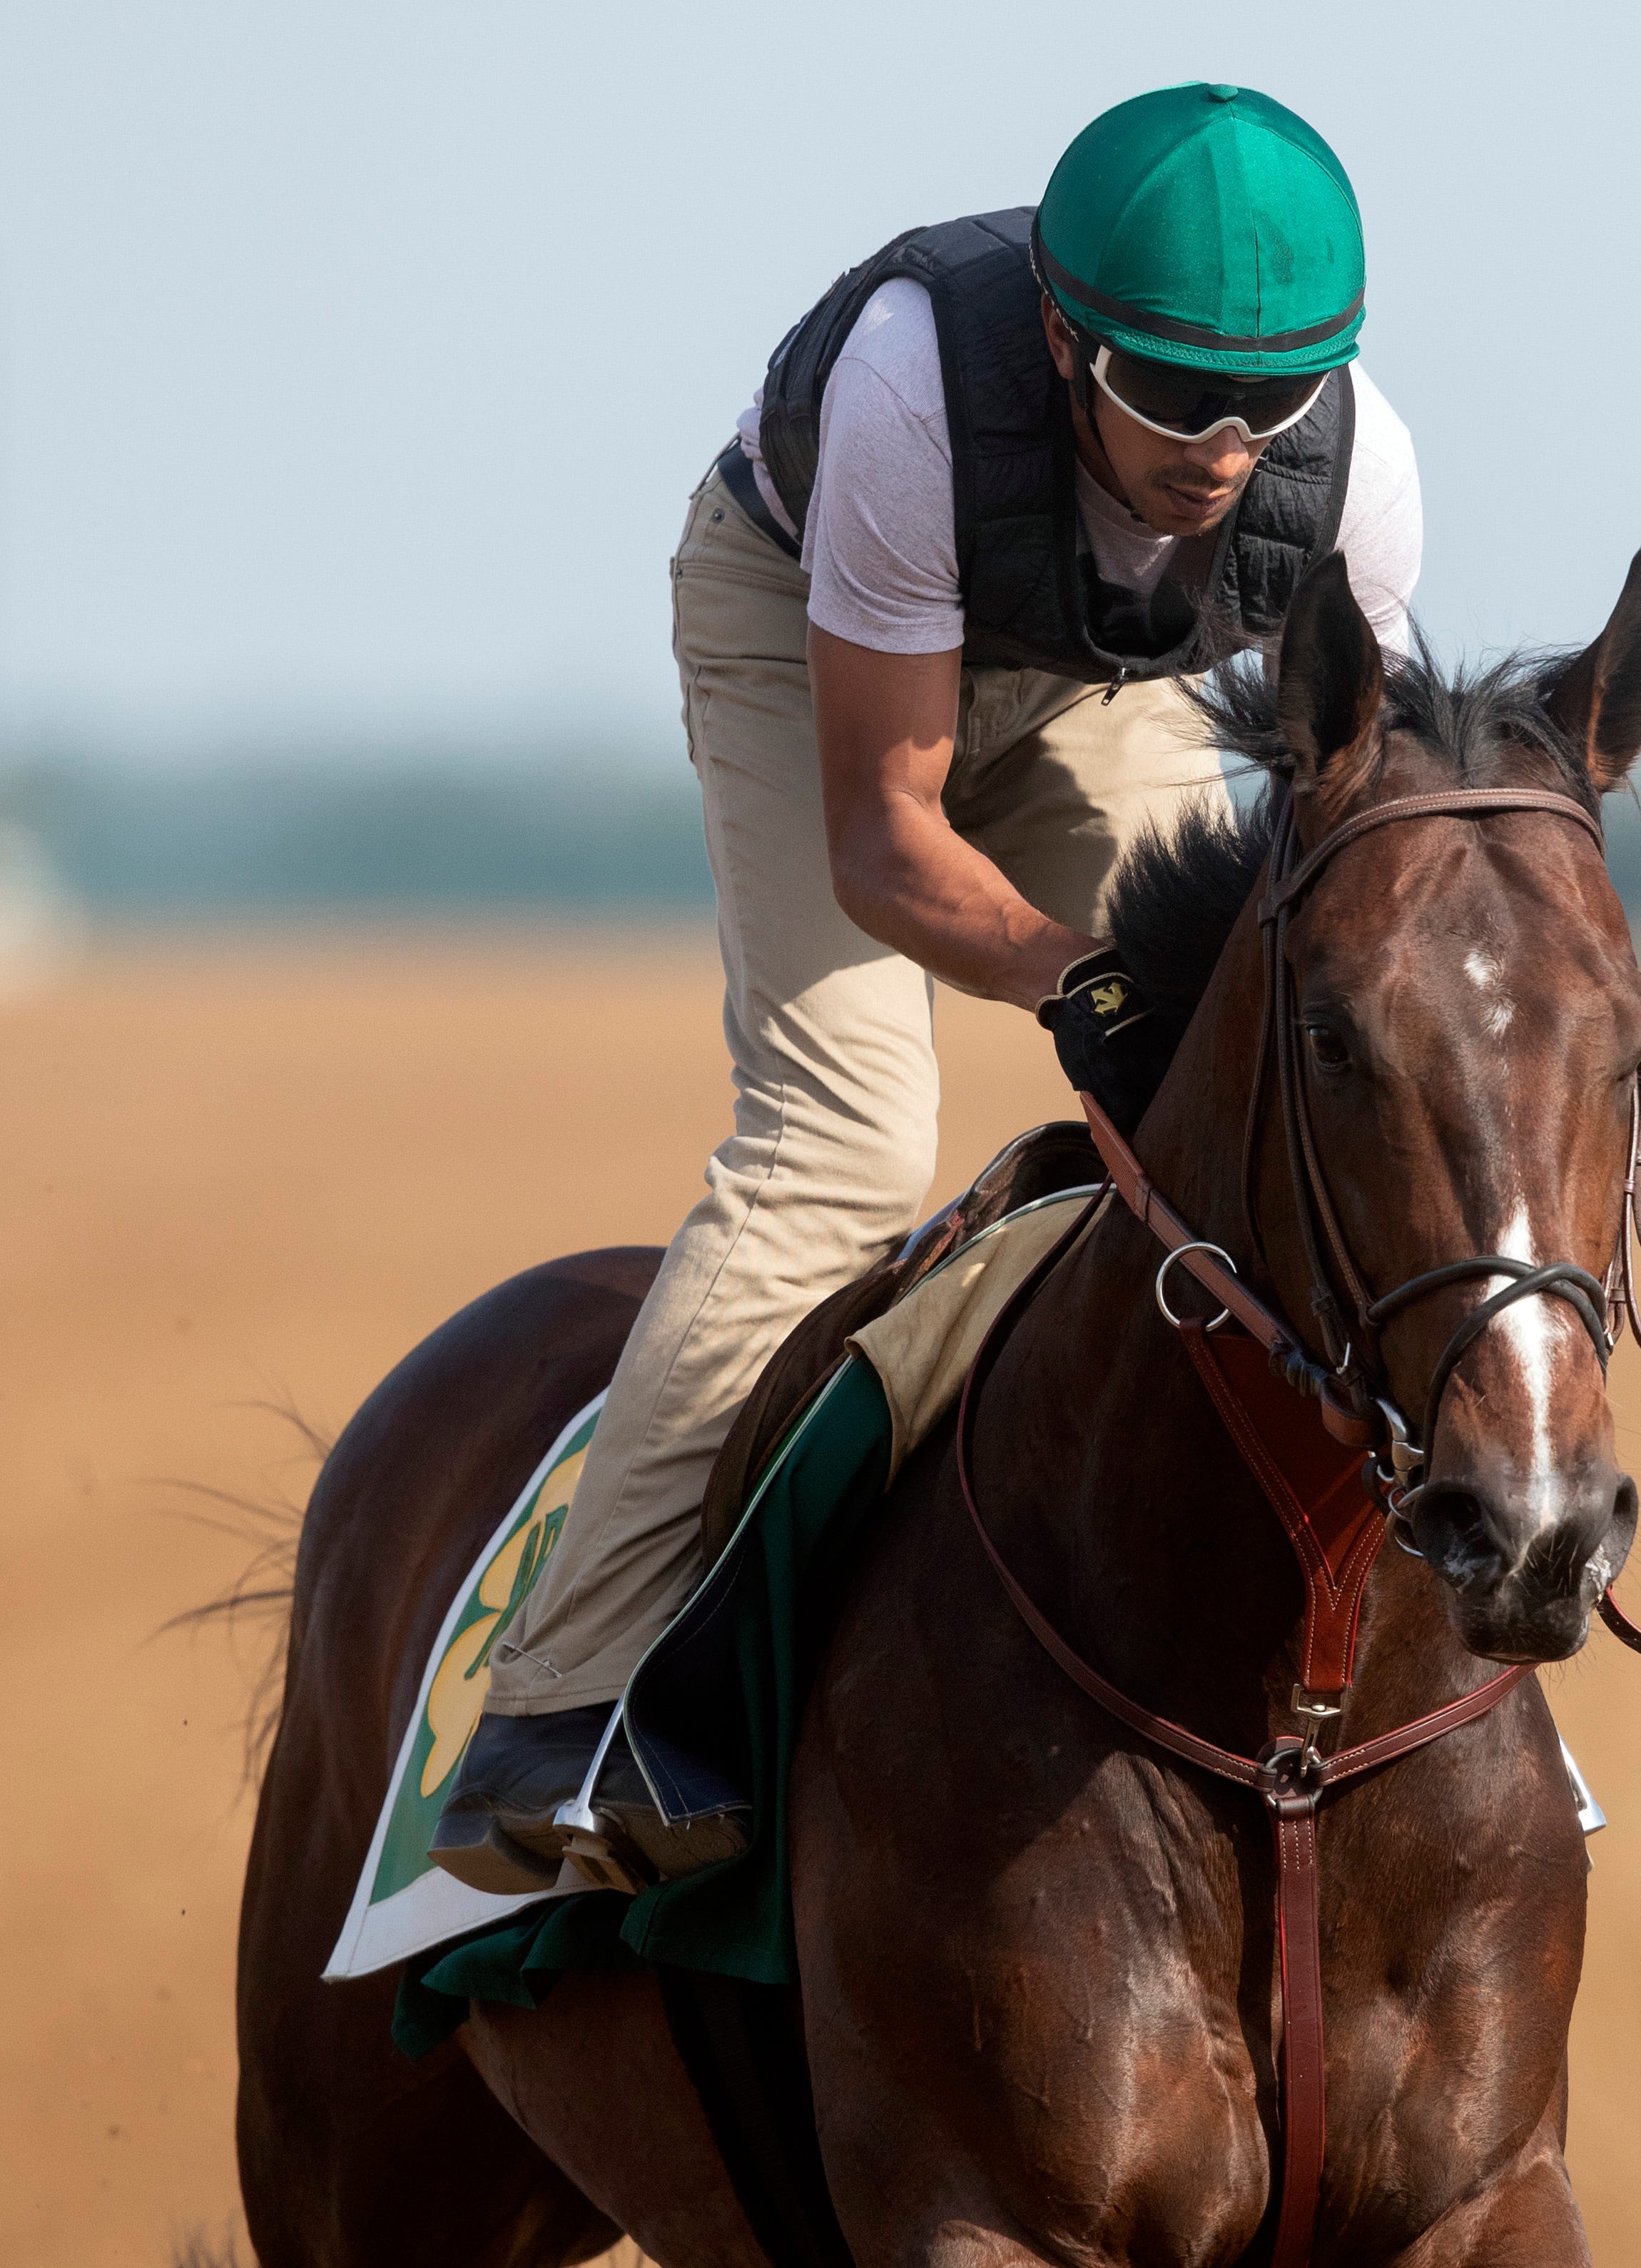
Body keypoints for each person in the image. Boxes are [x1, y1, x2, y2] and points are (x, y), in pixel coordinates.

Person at [433, 81, 1422, 1894]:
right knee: (850, 1147)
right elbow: (891, 838)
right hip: (802, 624)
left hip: (1096, 689)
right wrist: (1085, 980)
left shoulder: (1362, 481)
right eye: (1167, 392)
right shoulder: (909, 390)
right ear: (1062, 337)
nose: (1222, 444)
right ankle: (563, 1710)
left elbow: (1345, 850)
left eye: (1268, 401)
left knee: (1251, 1099)